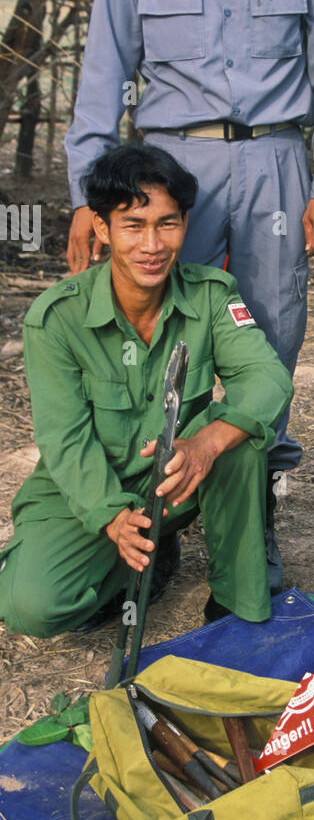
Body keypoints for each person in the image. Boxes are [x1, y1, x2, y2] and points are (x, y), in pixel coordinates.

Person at [63, 0, 314, 591]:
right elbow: (104, 72)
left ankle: (248, 513)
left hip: (272, 160)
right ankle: (164, 514)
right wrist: (91, 194)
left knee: (268, 339)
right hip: (168, 166)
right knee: (163, 338)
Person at [0, 145, 294, 638]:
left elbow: (268, 378)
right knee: (31, 607)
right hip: (91, 489)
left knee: (240, 438)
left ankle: (234, 603)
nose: (152, 245)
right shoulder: (56, 318)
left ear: (185, 223)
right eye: (133, 225)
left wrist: (209, 442)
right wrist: (111, 516)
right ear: (101, 229)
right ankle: (144, 559)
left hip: (175, 477)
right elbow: (64, 439)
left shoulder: (212, 295)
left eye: (168, 223)